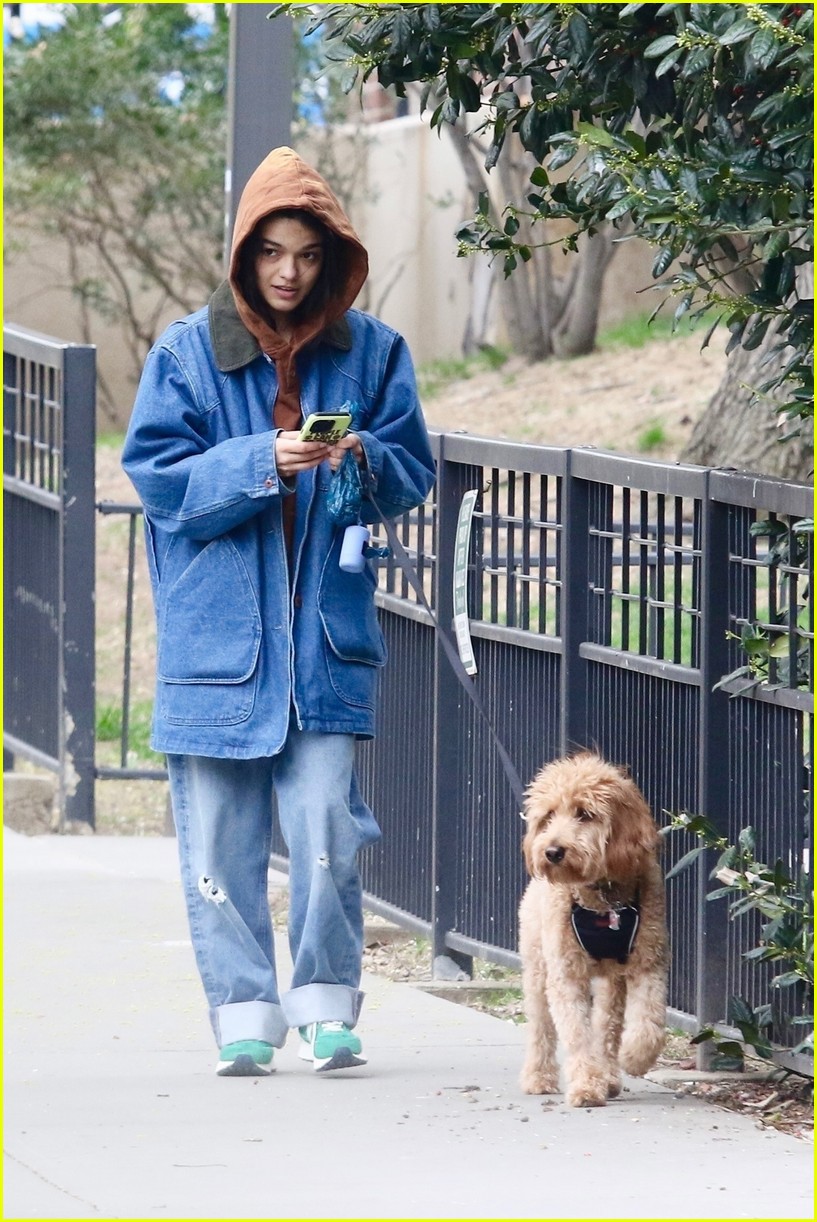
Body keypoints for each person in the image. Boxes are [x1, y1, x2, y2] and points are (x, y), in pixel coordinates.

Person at [122, 147, 436, 1077]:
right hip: (217, 646)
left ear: (332, 257)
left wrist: (357, 464)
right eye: (272, 253)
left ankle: (330, 1008)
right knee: (220, 840)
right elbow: (160, 484)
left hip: (323, 644)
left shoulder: (372, 352)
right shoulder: (185, 354)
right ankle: (244, 1012)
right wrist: (266, 461)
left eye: (306, 253)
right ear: (243, 256)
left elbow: (410, 468)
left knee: (327, 827)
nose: (290, 272)